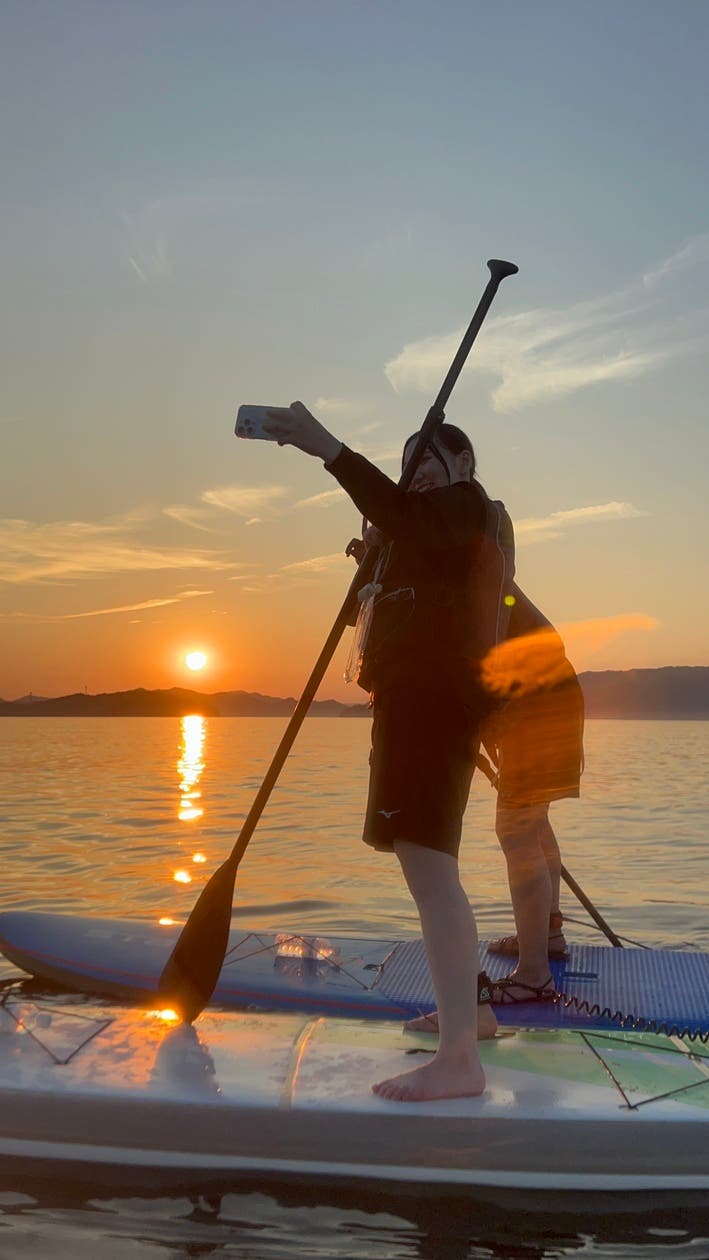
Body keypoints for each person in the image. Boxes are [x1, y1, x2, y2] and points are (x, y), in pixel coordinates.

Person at [262, 402, 514, 1102]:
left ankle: (458, 1059)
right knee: (432, 871)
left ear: (461, 466)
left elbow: (419, 525)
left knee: (430, 875)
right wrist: (371, 551)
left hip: (433, 707)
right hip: (411, 707)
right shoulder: (413, 532)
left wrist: (326, 448)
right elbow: (365, 613)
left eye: (427, 458)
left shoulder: (465, 506)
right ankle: (476, 1016)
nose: (416, 473)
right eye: (407, 464)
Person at [405, 587, 584, 1033]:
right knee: (533, 821)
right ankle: (548, 936)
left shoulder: (455, 578)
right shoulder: (482, 568)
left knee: (516, 829)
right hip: (552, 697)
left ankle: (533, 976)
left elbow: (464, 660)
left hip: (535, 704)